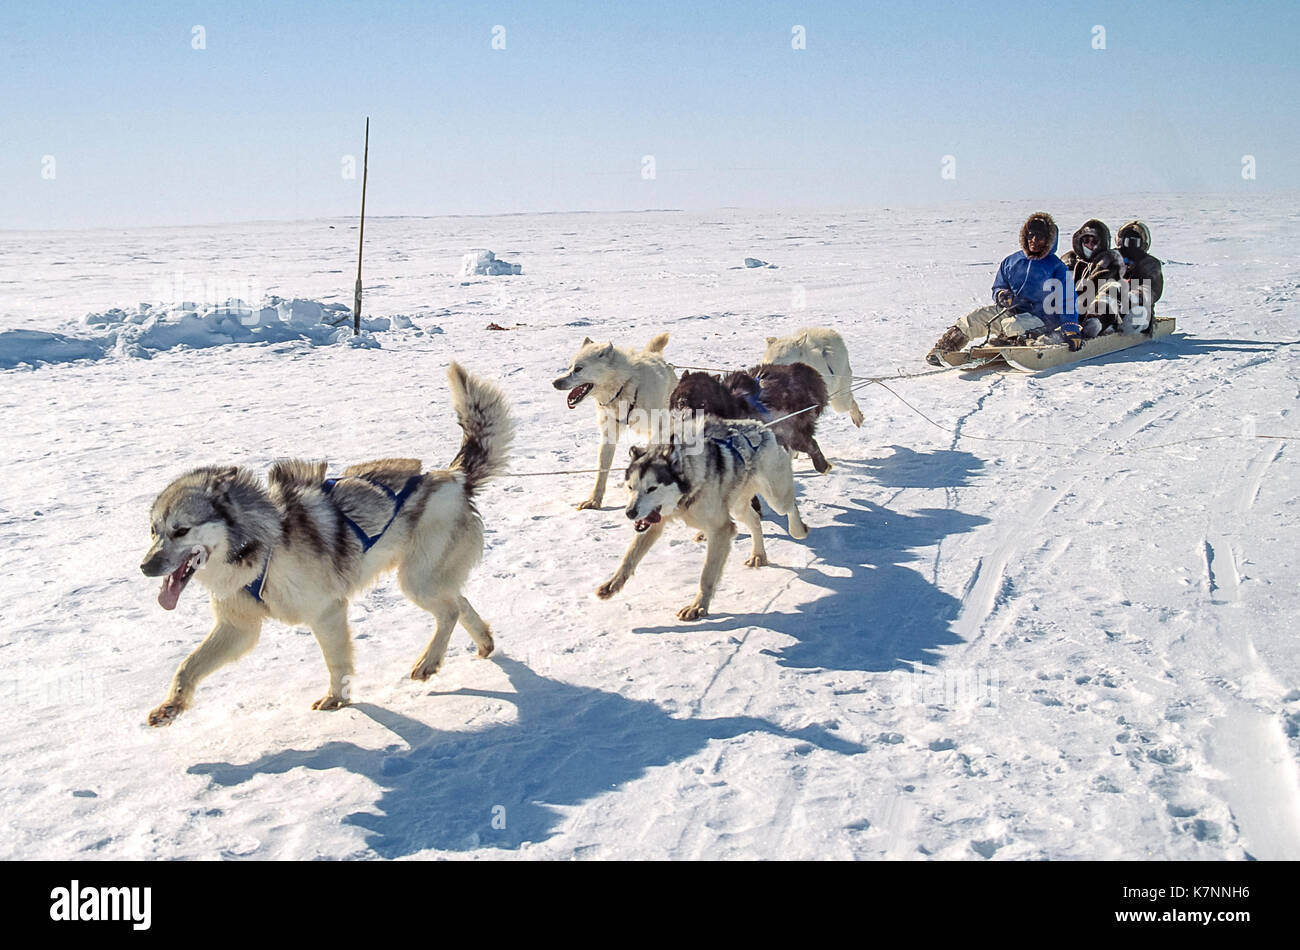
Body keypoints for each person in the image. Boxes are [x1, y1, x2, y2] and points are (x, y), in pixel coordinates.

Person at [928, 212, 1080, 365]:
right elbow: (999, 286)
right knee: (975, 318)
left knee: (1014, 325)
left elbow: (1067, 300)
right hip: (1012, 310)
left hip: (1042, 318)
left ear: (1049, 240)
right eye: (1030, 236)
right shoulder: (1011, 261)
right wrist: (1002, 295)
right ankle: (945, 348)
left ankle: (1003, 346)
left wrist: (1070, 327)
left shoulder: (1056, 267)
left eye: (1039, 237)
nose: (1034, 241)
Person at [1060, 219, 1126, 338]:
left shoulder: (1109, 259)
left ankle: (1096, 323)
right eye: (1086, 240)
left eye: (1094, 241)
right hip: (1072, 309)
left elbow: (1094, 284)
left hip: (1097, 306)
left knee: (1110, 290)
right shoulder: (1071, 259)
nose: (1090, 245)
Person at [1114, 220, 1164, 333]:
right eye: (1127, 242)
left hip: (1136, 308)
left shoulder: (1150, 264)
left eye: (1135, 242)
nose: (1131, 247)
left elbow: (1151, 290)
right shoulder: (1111, 258)